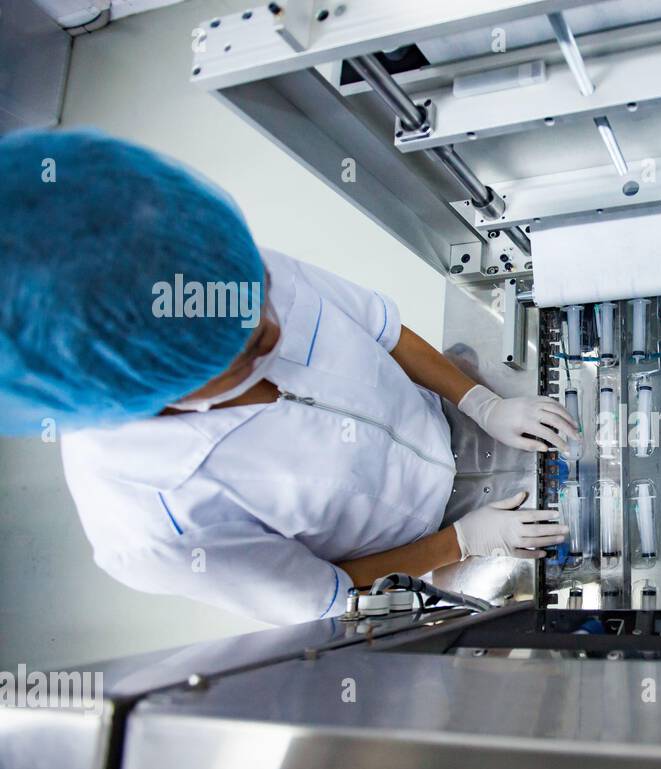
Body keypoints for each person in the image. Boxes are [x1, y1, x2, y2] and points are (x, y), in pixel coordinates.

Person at [0, 129, 575, 625]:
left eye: (263, 296)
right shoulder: (153, 524)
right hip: (428, 548)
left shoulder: (198, 259)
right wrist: (465, 541)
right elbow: (329, 591)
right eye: (247, 348)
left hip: (449, 418)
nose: (273, 328)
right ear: (150, 395)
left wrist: (479, 402)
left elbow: (380, 328)